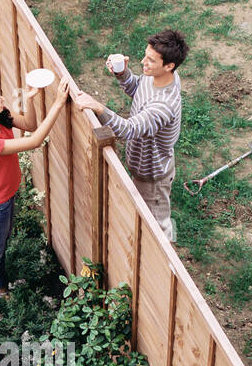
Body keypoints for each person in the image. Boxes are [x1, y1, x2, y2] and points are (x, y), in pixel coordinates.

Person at [0, 76, 69, 320]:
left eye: (0, 96)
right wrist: (58, 104)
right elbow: (34, 141)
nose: (3, 101)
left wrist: (30, 100)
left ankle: (0, 287)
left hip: (2, 196)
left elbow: (30, 125)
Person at [73, 29, 188, 239]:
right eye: (145, 55)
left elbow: (129, 130)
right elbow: (138, 89)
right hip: (141, 164)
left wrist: (98, 108)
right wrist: (123, 74)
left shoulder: (163, 107)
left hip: (152, 176)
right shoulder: (157, 76)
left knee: (159, 229)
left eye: (151, 60)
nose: (144, 62)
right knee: (143, 217)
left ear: (169, 66)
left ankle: (166, 266)